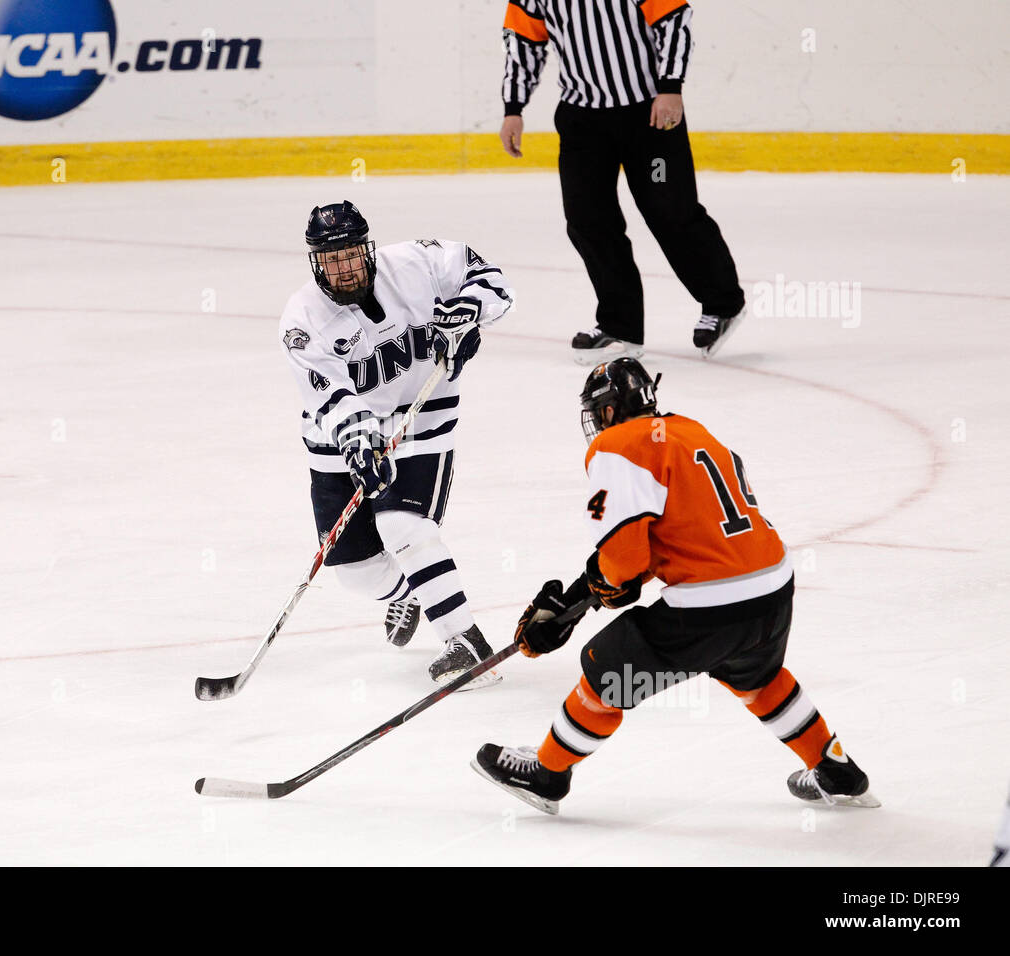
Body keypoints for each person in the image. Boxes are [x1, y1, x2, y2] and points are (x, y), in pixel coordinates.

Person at [473, 358, 879, 812]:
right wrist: (578, 596)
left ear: (608, 411)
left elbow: (626, 561)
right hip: (773, 588)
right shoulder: (691, 430)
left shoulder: (617, 445)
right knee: (758, 676)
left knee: (606, 672)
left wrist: (598, 590)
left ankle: (546, 775)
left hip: (711, 604)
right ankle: (836, 770)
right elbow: (678, 535)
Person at [278, 201, 515, 687]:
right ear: (315, 262)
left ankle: (465, 641)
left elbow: (490, 278)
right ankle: (412, 590)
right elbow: (330, 396)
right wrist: (359, 443)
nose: (342, 269)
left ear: (368, 248)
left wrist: (468, 314)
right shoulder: (301, 319)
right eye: (330, 259)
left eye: (350, 254)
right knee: (356, 572)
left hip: (421, 419)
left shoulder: (418, 262)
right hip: (336, 440)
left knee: (402, 523)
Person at [499, 1, 747, 362]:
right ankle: (620, 325)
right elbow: (523, 43)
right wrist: (513, 109)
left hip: (650, 118)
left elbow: (674, 21)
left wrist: (671, 87)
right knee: (587, 220)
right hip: (582, 122)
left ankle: (723, 303)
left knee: (670, 210)